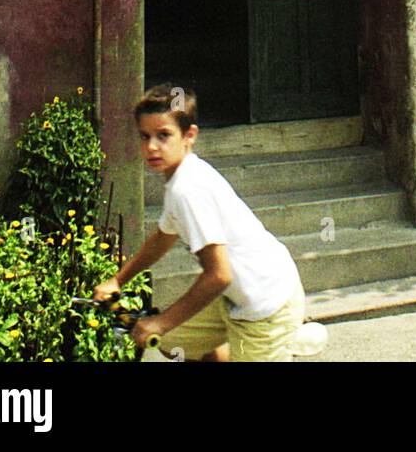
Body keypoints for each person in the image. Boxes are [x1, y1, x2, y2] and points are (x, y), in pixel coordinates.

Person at [93, 83, 326, 362]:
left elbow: (219, 275)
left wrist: (159, 322)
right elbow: (162, 237)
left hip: (267, 304)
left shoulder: (188, 189)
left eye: (163, 136)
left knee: (162, 328)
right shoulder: (180, 177)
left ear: (189, 136)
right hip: (236, 297)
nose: (151, 147)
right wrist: (118, 279)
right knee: (171, 340)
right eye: (145, 137)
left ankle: (286, 342)